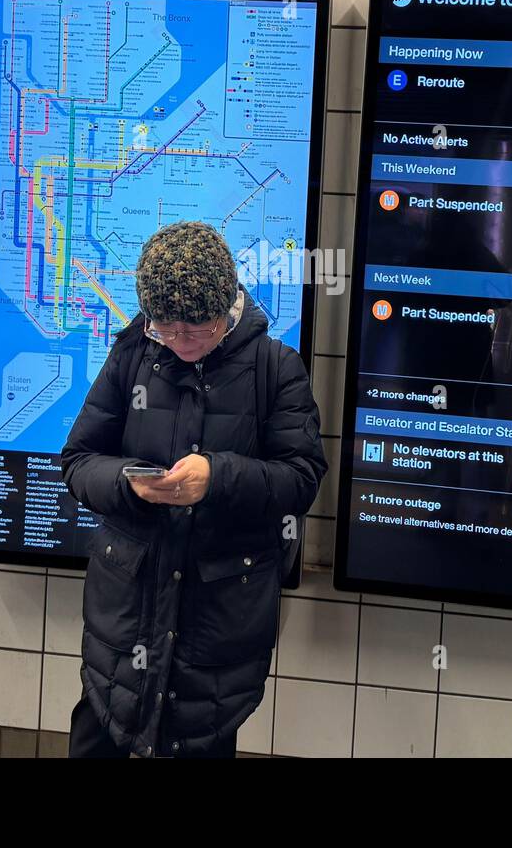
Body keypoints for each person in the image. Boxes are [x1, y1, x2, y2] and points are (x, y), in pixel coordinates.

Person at [61, 221, 327, 758]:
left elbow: (301, 478)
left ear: (227, 305)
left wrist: (218, 477)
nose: (180, 341)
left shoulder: (275, 369)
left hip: (217, 622)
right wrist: (129, 482)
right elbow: (78, 460)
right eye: (166, 327)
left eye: (197, 328)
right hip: (127, 616)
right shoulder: (132, 353)